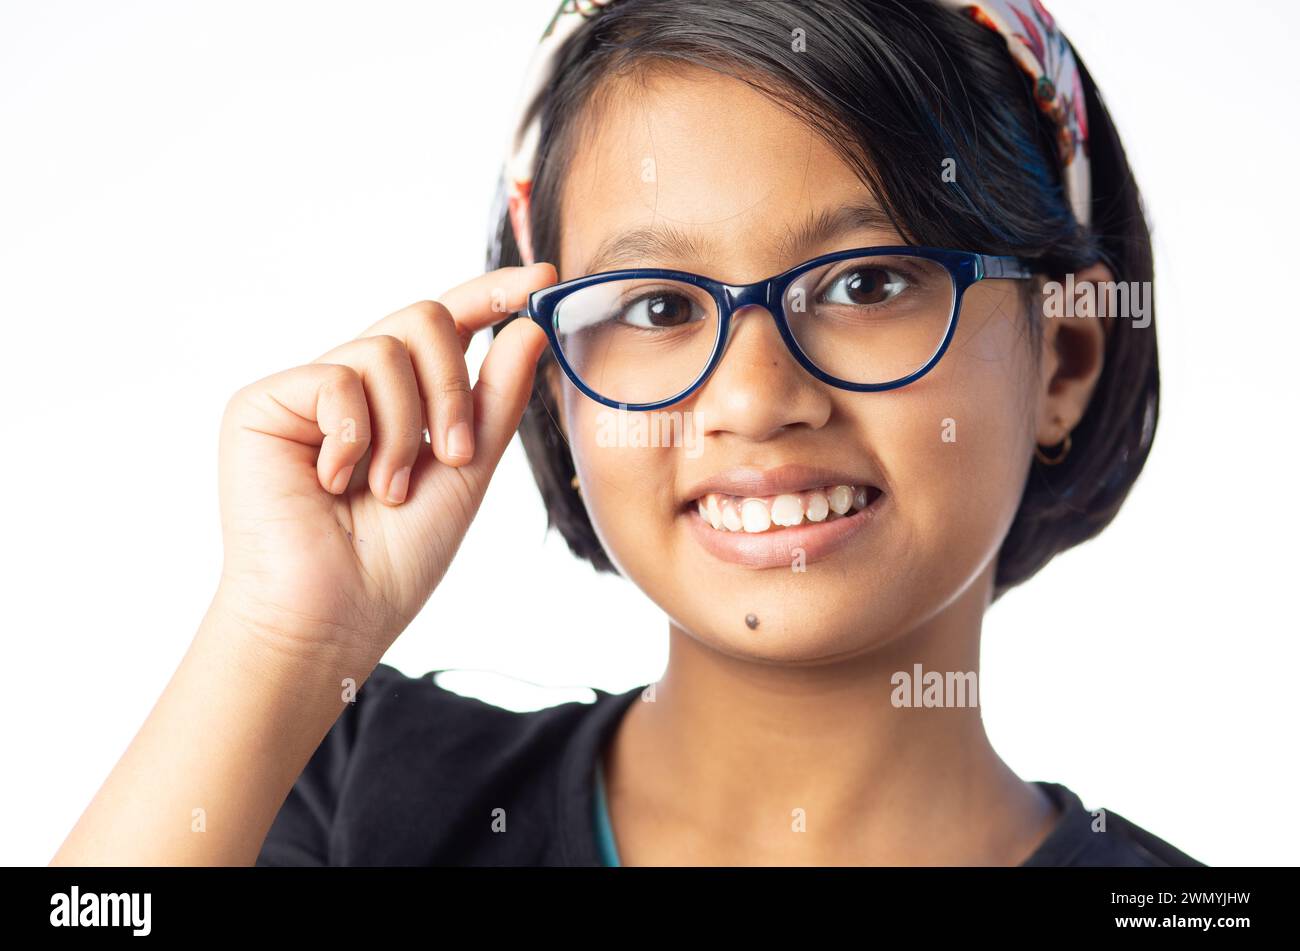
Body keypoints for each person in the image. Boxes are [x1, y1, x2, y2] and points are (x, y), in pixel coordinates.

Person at [51, 0, 1203, 866]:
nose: (754, 398)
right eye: (656, 307)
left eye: (865, 284)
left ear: (1063, 356)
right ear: (548, 376)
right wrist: (281, 637)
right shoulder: (365, 797)